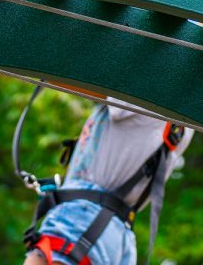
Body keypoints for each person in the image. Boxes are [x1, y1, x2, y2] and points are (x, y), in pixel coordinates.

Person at [23, 98, 192, 265]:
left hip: (85, 216)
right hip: (119, 234)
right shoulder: (190, 112)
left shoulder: (148, 78)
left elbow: (82, 79)